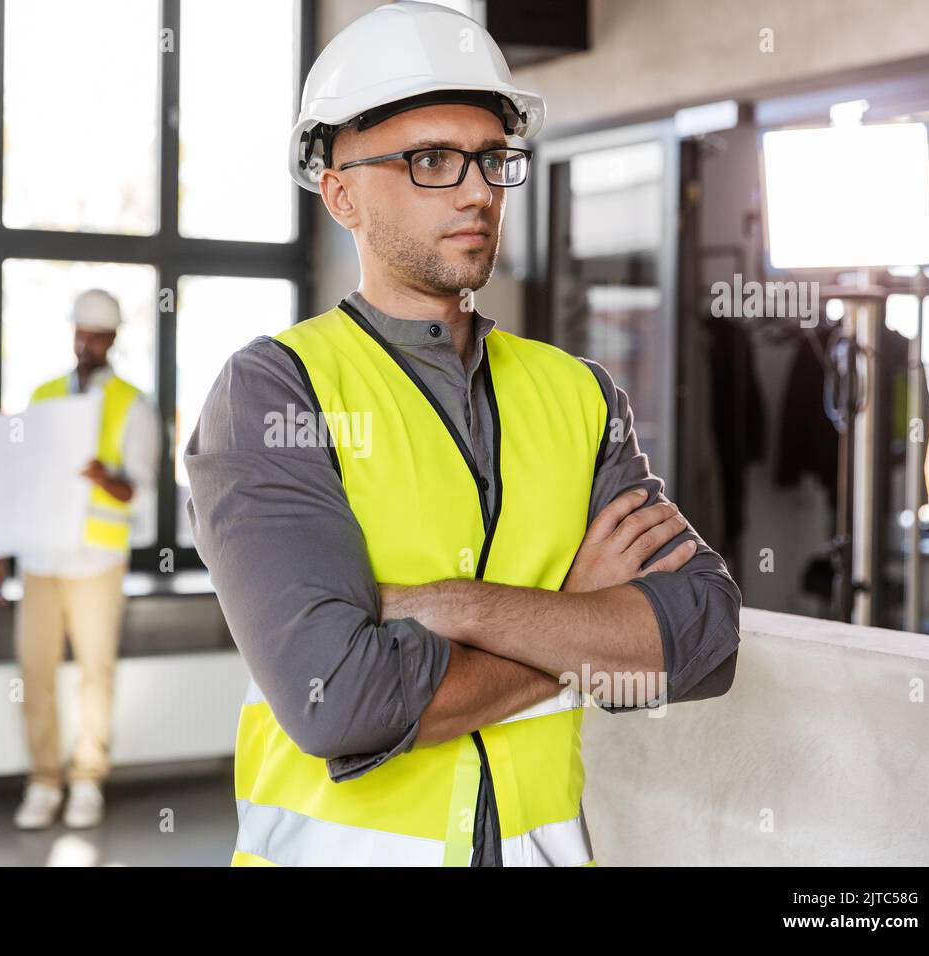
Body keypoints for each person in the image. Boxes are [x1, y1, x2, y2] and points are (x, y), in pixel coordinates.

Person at [184, 1, 741, 867]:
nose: (480, 190)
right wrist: (578, 619)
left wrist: (457, 608)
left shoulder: (579, 394)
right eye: (430, 160)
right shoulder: (275, 392)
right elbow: (342, 702)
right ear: (340, 193)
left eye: (491, 158)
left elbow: (700, 638)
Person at [0, 289, 160, 830]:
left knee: (94, 675)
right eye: (81, 333)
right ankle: (44, 781)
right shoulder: (42, 395)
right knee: (33, 672)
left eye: (97, 335)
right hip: (41, 560)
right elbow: (17, 482)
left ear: (112, 340)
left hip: (97, 562)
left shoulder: (134, 404)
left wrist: (102, 476)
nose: (87, 343)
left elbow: (140, 490)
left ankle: (87, 780)